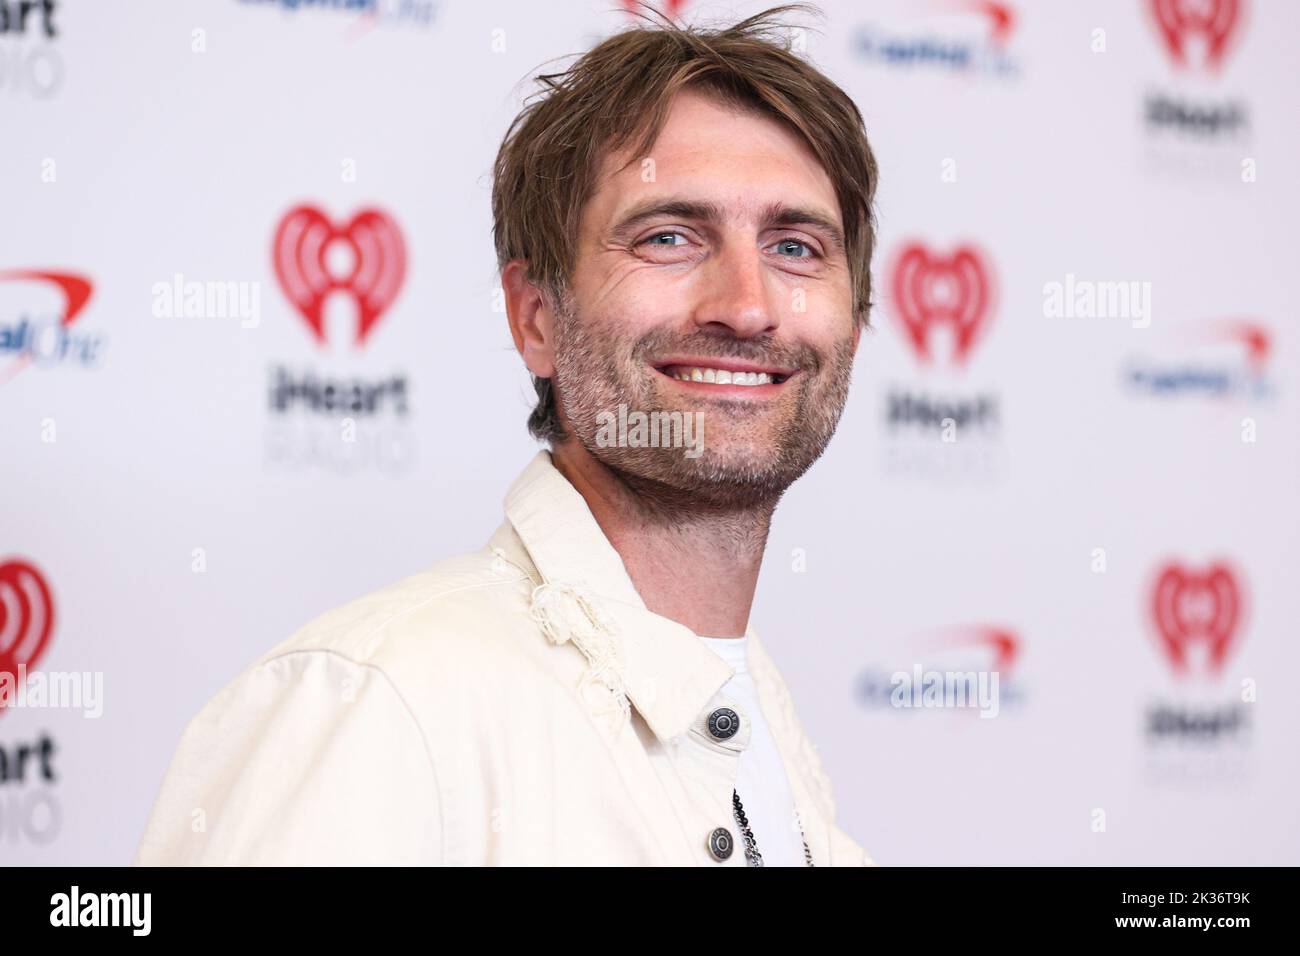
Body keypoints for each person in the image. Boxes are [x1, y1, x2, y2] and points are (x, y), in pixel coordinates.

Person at [135, 4, 879, 867]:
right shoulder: (379, 706)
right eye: (670, 237)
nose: (747, 305)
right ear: (536, 317)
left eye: (795, 247)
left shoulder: (760, 708)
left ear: (855, 322)